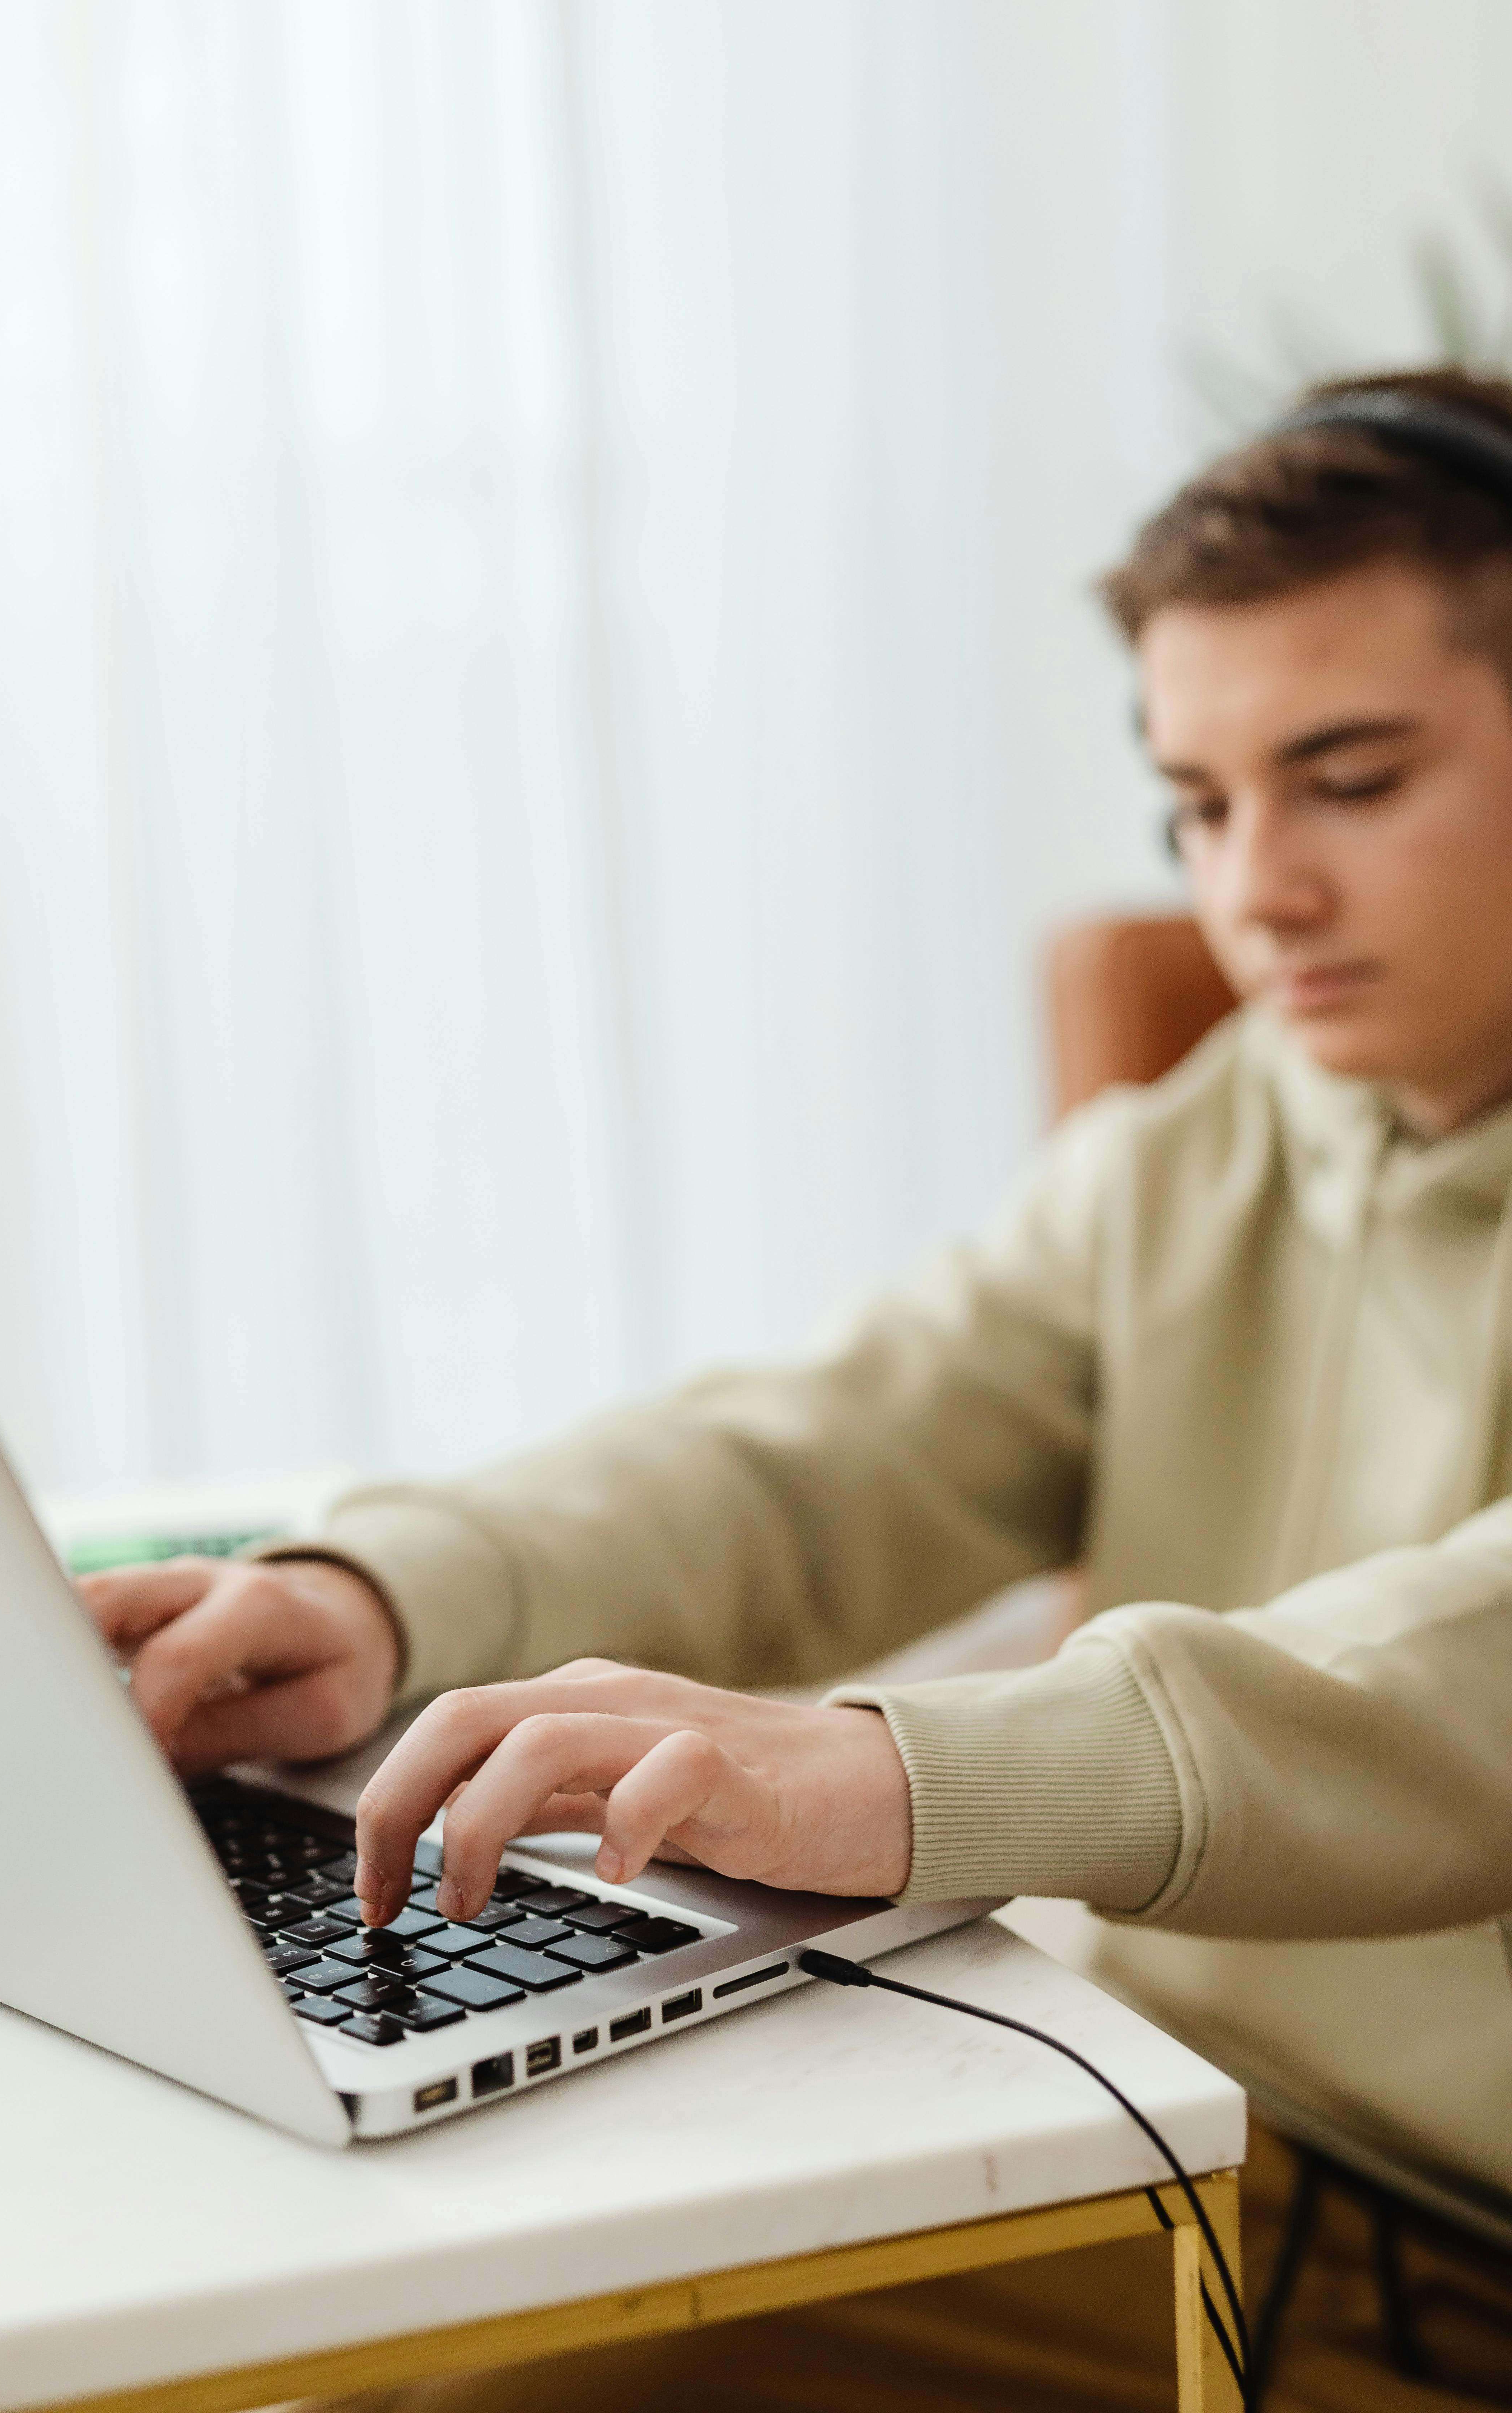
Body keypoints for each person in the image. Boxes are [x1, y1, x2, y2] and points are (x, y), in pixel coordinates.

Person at [84, 366, 1512, 2410]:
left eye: (1352, 780)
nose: (1253, 888)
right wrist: (380, 1597)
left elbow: (1455, 1685)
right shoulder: (1220, 1138)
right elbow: (834, 1450)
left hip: (1434, 2264)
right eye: (1199, 803)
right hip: (1159, 2133)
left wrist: (894, 1777)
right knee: (369, 2356)